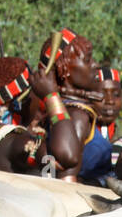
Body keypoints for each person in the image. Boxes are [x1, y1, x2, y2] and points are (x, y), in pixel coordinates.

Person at [33, 29, 100, 177]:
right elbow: (67, 167)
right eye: (87, 59)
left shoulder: (63, 111)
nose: (96, 65)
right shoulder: (75, 115)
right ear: (65, 69)